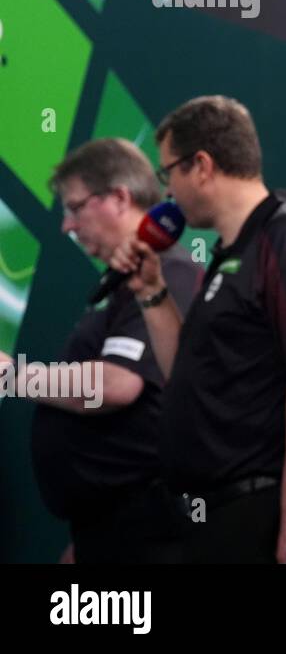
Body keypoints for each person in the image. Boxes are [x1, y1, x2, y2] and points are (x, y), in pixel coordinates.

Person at [109, 95, 286, 563]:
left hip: (266, 511)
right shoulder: (230, 255)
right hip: (219, 516)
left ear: (202, 165)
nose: (166, 192)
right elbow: (190, 375)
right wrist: (151, 292)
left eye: (167, 173)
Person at [0, 138, 202, 563]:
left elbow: (116, 385)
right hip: (110, 531)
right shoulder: (124, 285)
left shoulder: (168, 275)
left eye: (75, 208)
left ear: (119, 198)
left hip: (149, 535)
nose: (66, 226)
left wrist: (12, 376)